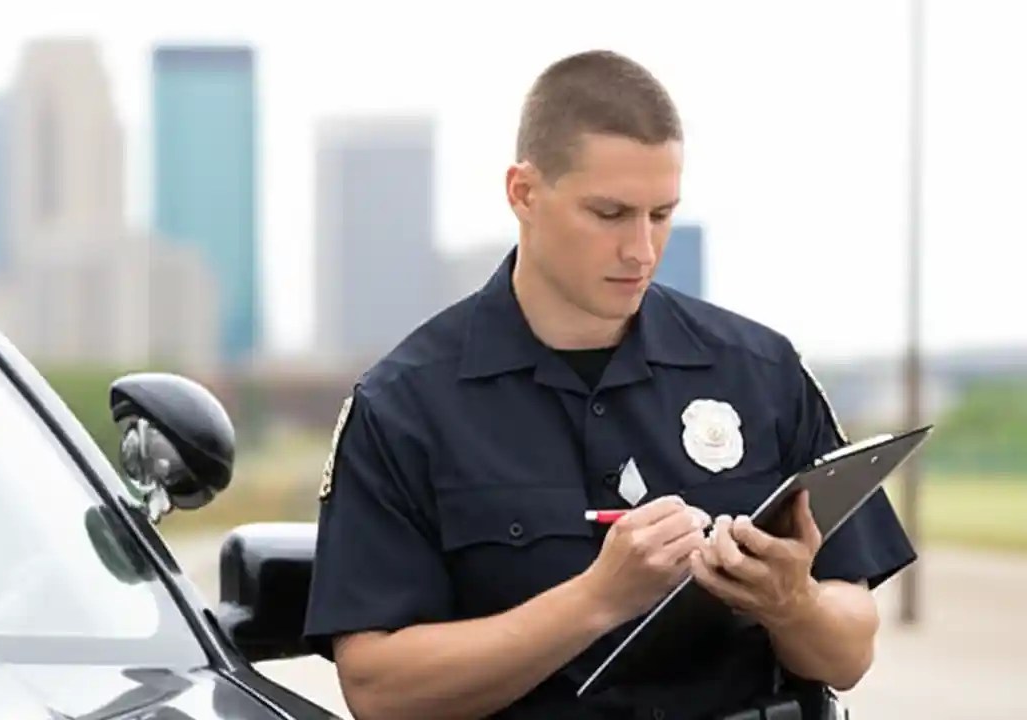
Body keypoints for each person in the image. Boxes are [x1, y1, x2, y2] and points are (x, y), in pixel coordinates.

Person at [302, 48, 916, 720]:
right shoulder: (404, 408)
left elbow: (850, 652)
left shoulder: (762, 373)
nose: (642, 250)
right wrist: (596, 599)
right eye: (610, 213)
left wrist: (790, 603)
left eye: (660, 214)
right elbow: (378, 691)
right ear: (524, 193)